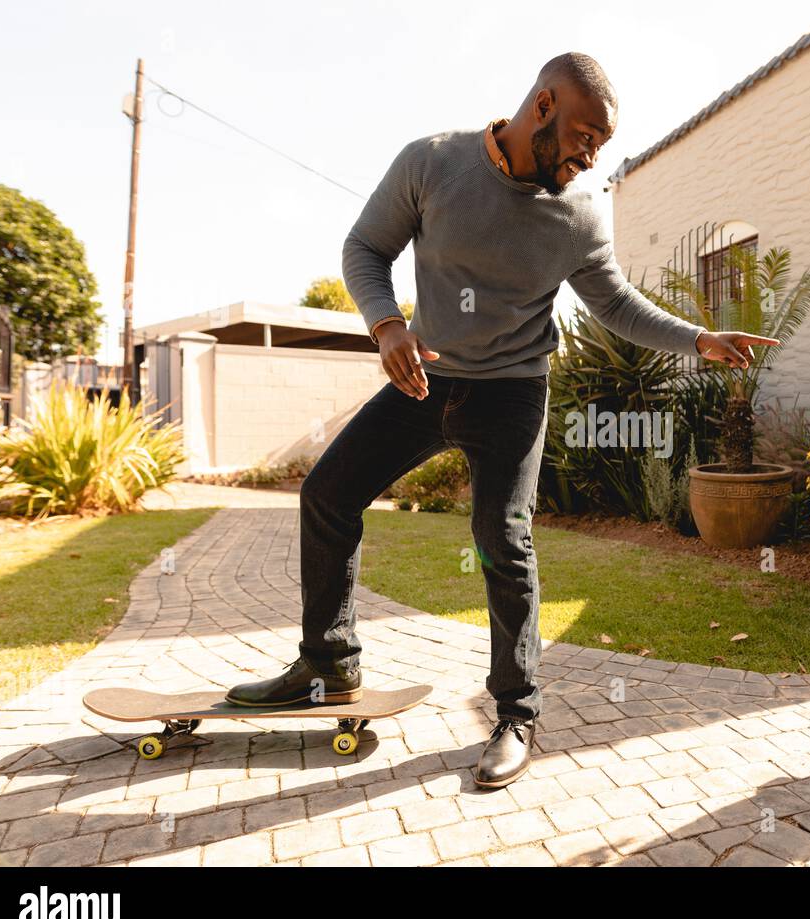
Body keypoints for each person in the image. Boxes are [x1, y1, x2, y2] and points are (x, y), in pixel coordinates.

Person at [225, 52, 778, 788]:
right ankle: (327, 664)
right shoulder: (432, 163)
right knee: (327, 494)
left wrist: (698, 339)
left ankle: (516, 714)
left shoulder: (580, 212)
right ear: (542, 107)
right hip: (426, 378)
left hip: (514, 392)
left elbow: (613, 303)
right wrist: (387, 326)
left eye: (602, 145)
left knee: (501, 540)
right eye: (585, 135)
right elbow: (366, 248)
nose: (590, 156)